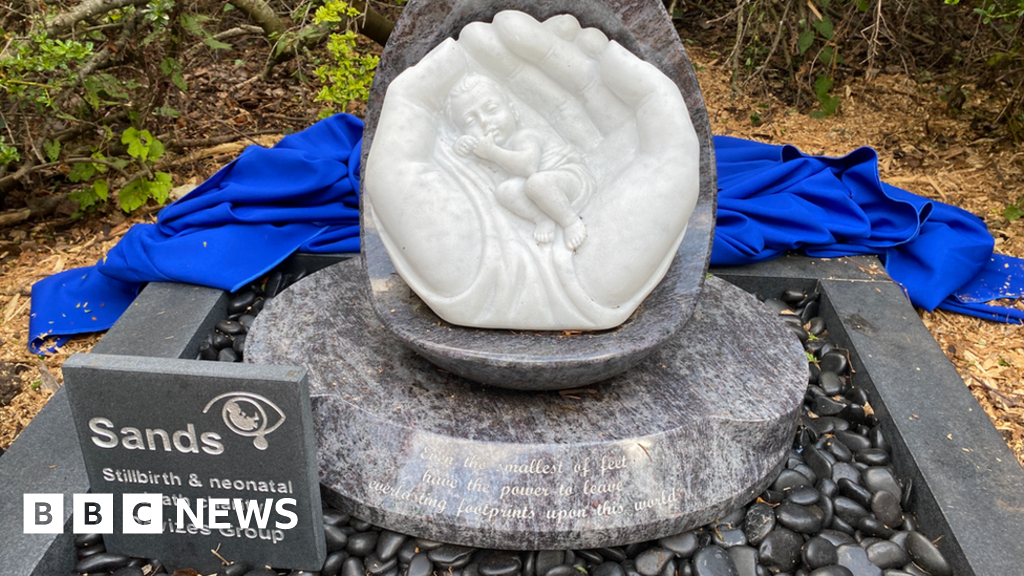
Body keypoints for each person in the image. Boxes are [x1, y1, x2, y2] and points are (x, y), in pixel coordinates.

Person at [447, 74, 593, 250]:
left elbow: (528, 167)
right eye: (471, 121)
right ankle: (542, 217)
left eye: (491, 109)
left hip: (572, 179)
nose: (484, 122)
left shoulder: (525, 136)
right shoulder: (496, 146)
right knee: (505, 190)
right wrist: (463, 147)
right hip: (539, 188)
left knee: (537, 182)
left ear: (514, 112)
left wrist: (492, 152)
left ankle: (570, 222)